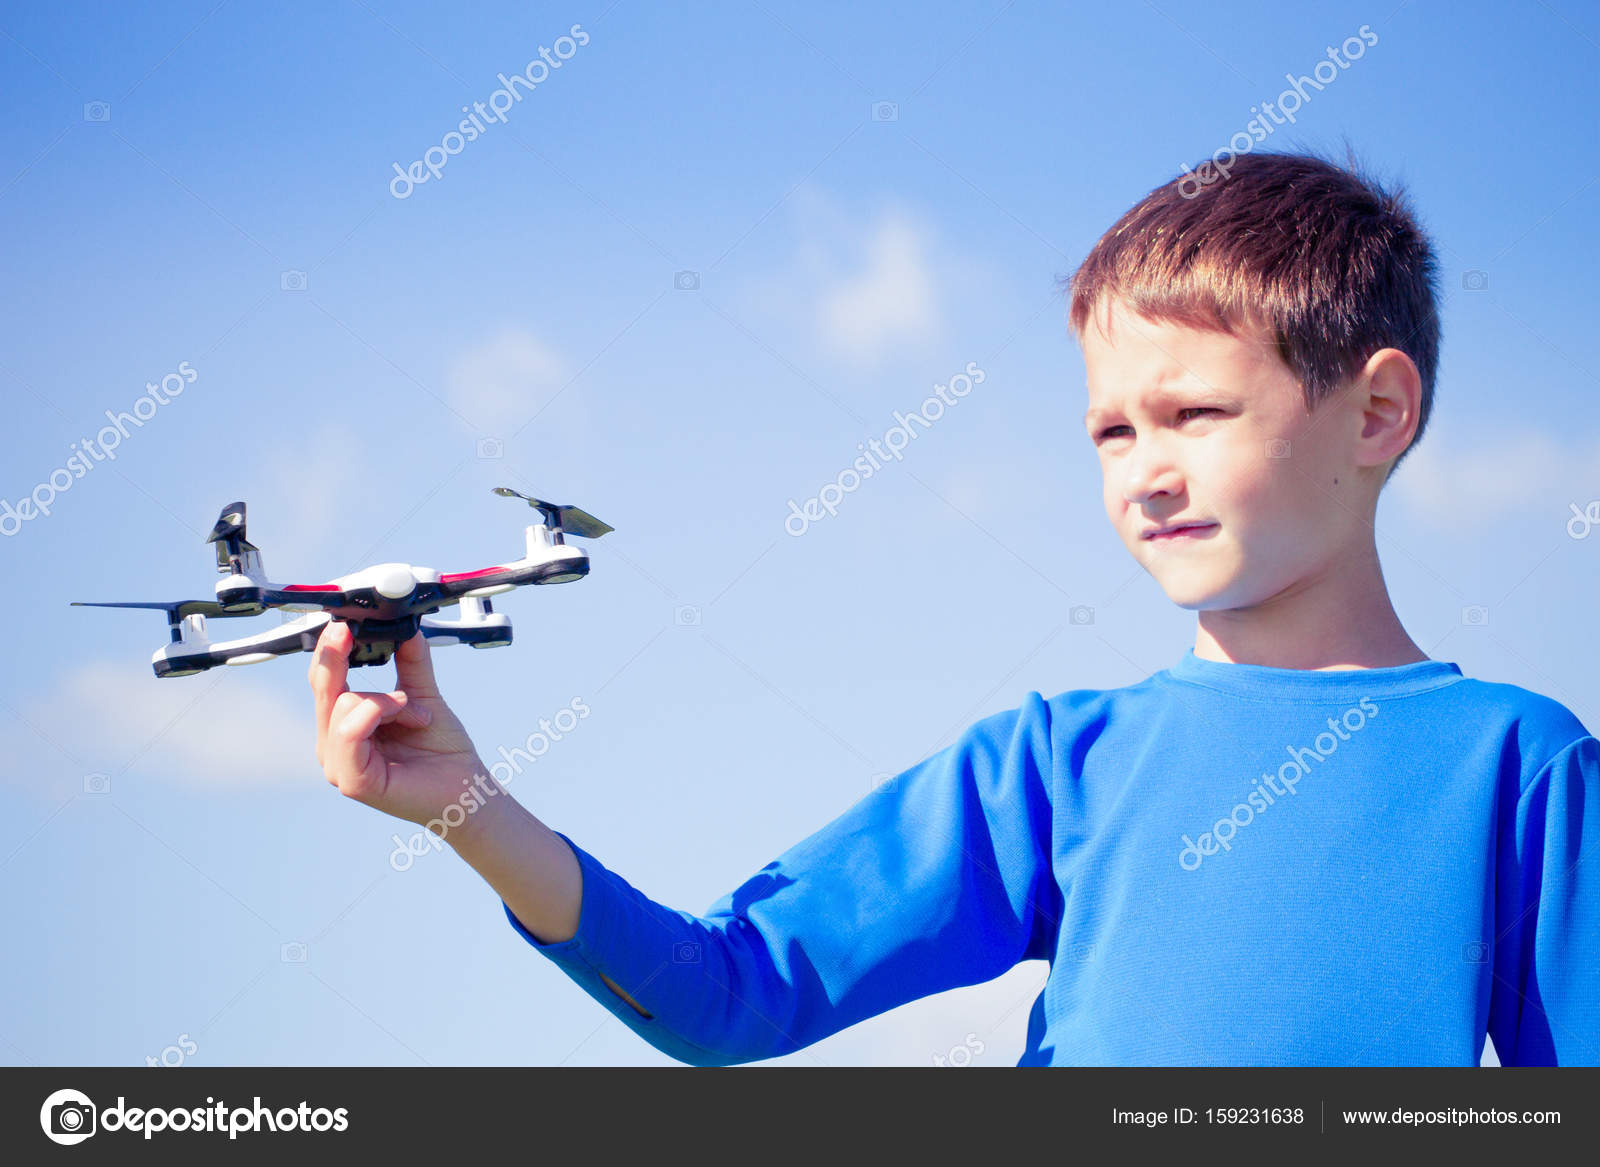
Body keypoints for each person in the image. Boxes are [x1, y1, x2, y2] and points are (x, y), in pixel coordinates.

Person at [308, 148, 1599, 1067]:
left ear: (1376, 411)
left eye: (1197, 412)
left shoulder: (1521, 764)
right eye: (1109, 429)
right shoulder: (1049, 766)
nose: (1146, 469)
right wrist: (466, 807)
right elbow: (729, 998)